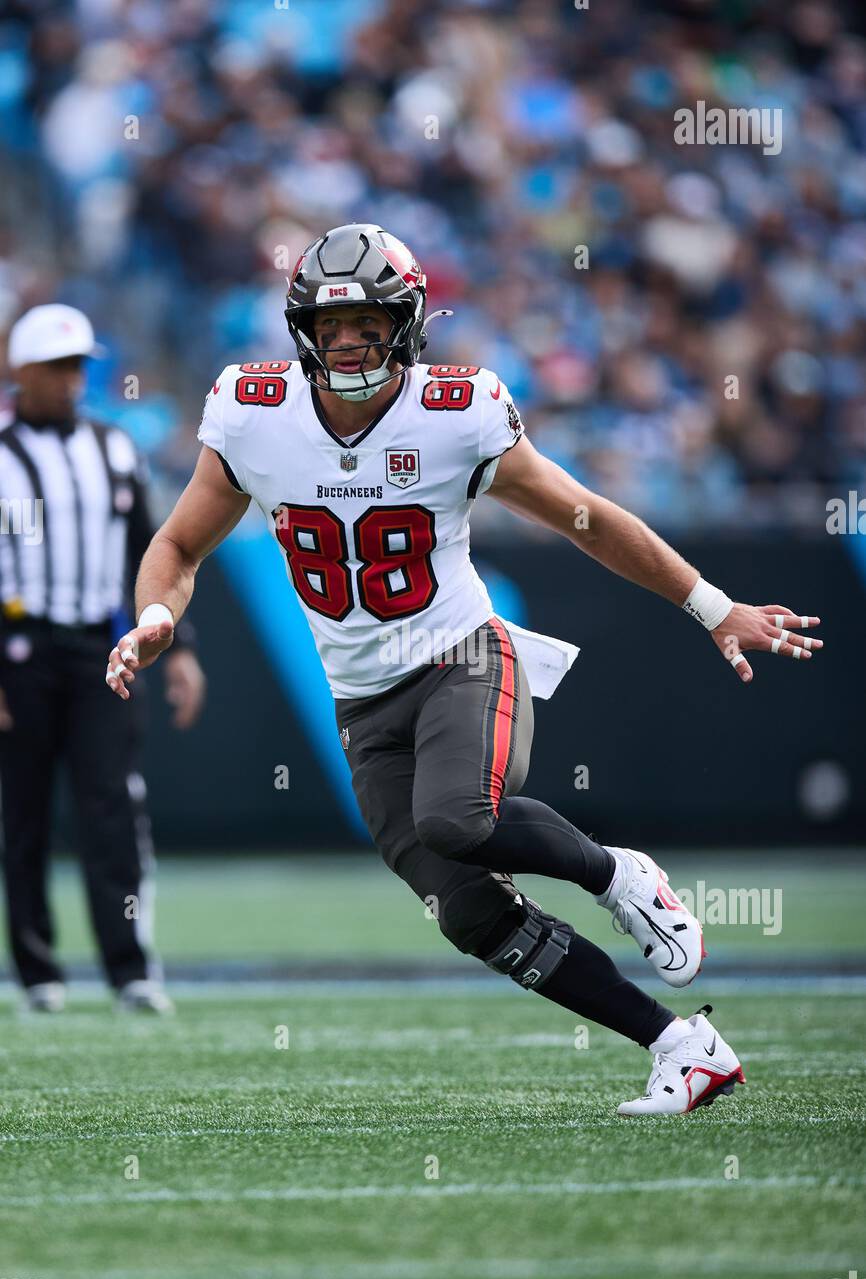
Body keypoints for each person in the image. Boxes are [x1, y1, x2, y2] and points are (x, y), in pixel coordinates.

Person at [105, 225, 823, 1111]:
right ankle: (684, 1046)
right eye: (332, 329)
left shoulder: (458, 410)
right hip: (359, 702)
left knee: (454, 815)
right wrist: (154, 617)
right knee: (471, 913)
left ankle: (617, 875)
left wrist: (713, 606)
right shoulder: (253, 412)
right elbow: (177, 543)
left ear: (406, 327)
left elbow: (584, 516)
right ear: (302, 334)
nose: (350, 345)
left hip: (460, 657)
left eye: (369, 326)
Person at [0, 303, 206, 1013]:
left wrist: (180, 649)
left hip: (99, 650)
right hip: (18, 651)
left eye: (79, 366)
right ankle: (37, 974)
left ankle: (131, 969)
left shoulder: (115, 447)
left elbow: (151, 555)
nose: (72, 380)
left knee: (113, 806)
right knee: (21, 814)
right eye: (57, 367)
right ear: (20, 370)